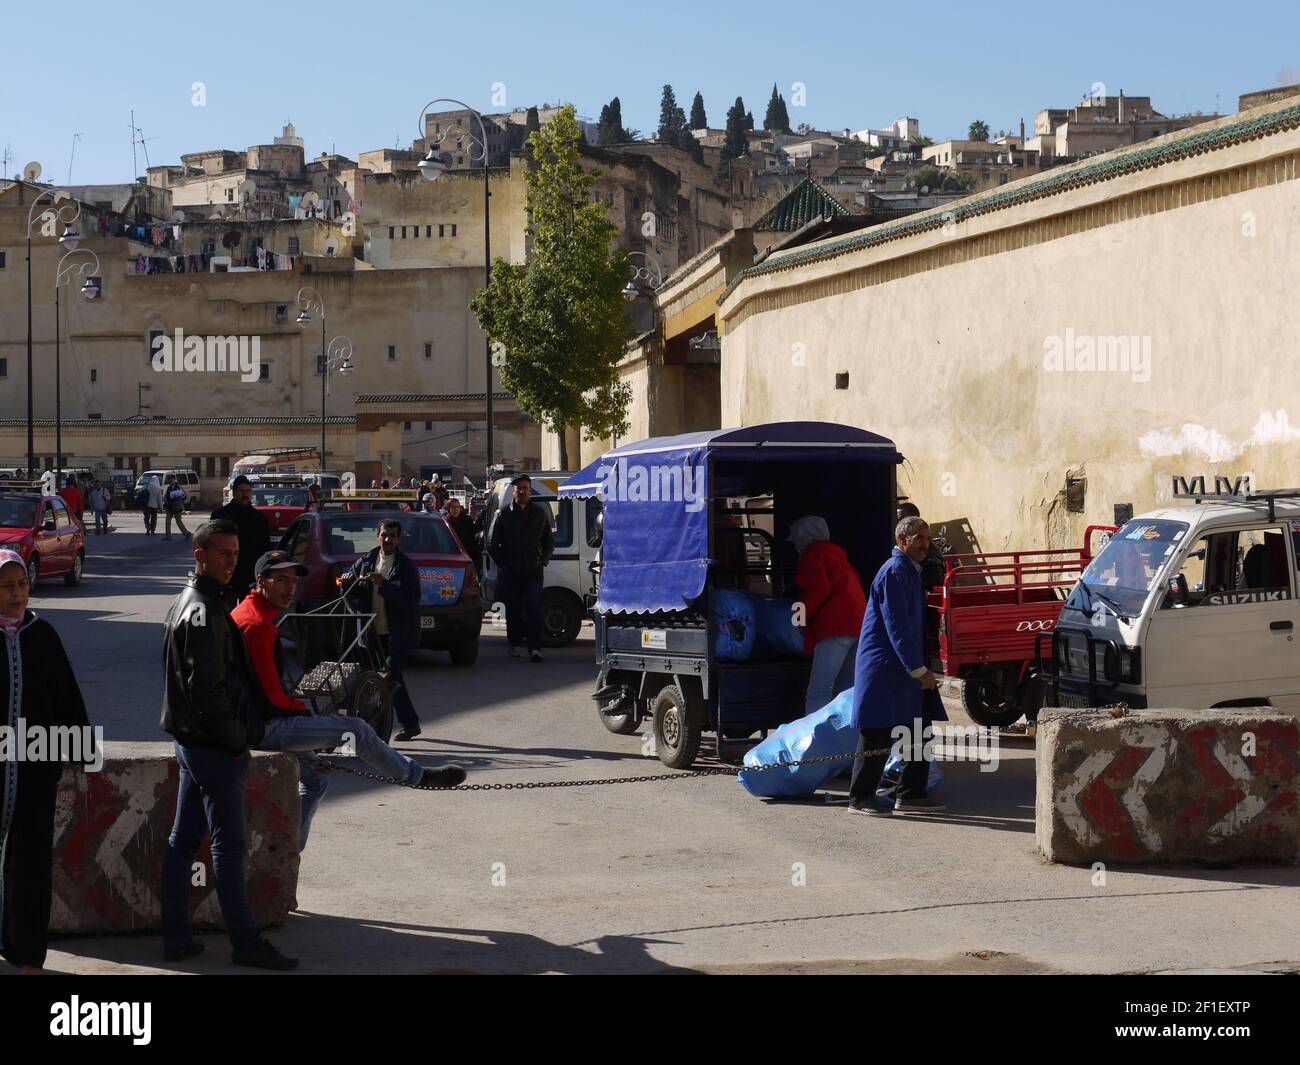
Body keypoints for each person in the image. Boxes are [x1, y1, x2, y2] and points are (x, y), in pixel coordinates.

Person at [235, 550, 464, 850]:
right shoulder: (256, 625)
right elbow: (271, 696)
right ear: (260, 582)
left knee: (315, 779)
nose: (289, 587)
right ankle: (415, 776)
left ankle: (286, 851)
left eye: (292, 580)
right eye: (280, 580)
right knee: (356, 729)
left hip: (251, 720)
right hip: (261, 727)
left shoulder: (251, 613)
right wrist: (307, 719)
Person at [159, 520, 296, 969]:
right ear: (200, 555)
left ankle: (177, 936)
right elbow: (207, 690)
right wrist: (236, 742)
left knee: (183, 841)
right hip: (212, 745)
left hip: (191, 740)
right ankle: (246, 942)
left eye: (235, 553)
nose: (231, 561)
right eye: (223, 553)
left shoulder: (189, 601)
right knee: (228, 848)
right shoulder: (203, 607)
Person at [0, 548, 93, 973]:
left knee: (31, 868)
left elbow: (66, 697)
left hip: (35, 770)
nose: (17, 593)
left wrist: (81, 752)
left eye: (21, 584)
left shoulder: (43, 634)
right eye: (6, 586)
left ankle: (27, 957)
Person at [847, 515, 948, 817]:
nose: (924, 545)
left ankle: (911, 793)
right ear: (902, 540)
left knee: (919, 728)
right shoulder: (894, 571)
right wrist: (918, 669)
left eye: (927, 539)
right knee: (876, 732)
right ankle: (860, 798)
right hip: (886, 668)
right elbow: (897, 626)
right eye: (918, 538)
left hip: (903, 669)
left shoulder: (908, 571)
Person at [342, 519, 424, 741]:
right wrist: (347, 583)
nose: (388, 540)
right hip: (373, 633)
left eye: (393, 536)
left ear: (398, 539)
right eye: (384, 535)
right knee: (387, 680)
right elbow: (352, 596)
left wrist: (384, 586)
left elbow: (411, 600)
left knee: (390, 676)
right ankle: (403, 724)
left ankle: (388, 725)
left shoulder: (405, 566)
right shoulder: (366, 561)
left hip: (399, 634)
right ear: (377, 536)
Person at [788, 516, 867, 715]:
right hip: (858, 625)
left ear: (803, 537)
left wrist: (798, 617)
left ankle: (814, 741)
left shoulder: (812, 555)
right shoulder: (836, 555)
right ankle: (847, 740)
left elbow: (817, 590)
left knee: (819, 689)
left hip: (834, 627)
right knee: (847, 691)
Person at [488, 474, 553, 661]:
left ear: (530, 490)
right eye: (519, 488)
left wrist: (544, 560)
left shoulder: (539, 513)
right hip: (511, 570)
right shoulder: (504, 513)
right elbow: (492, 542)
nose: (522, 491)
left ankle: (535, 648)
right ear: (513, 491)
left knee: (534, 608)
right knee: (514, 608)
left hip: (533, 569)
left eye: (525, 487)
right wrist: (503, 563)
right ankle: (515, 644)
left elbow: (548, 540)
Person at [209, 475, 270, 599]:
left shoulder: (259, 519)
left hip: (249, 574)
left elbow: (265, 548)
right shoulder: (220, 515)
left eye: (248, 491)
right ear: (234, 492)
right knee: (225, 613)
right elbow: (211, 544)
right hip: (225, 572)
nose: (245, 494)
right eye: (242, 491)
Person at [897, 502, 947, 592]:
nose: (898, 523)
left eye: (901, 519)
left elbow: (936, 579)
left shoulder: (926, 548)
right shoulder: (895, 564)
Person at [444, 496, 479, 573]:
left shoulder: (467, 520)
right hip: (451, 554)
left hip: (467, 553)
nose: (455, 509)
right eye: (452, 507)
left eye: (457, 507)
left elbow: (474, 536)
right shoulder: (446, 522)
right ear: (449, 509)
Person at [162, 474, 192, 541]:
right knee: (167, 521)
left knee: (178, 522)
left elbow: (184, 496)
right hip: (169, 507)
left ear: (174, 479)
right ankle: (168, 536)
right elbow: (166, 496)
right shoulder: (169, 488)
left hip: (177, 507)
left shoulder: (178, 487)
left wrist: (179, 496)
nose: (170, 480)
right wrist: (165, 500)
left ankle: (187, 534)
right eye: (168, 479)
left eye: (171, 479)